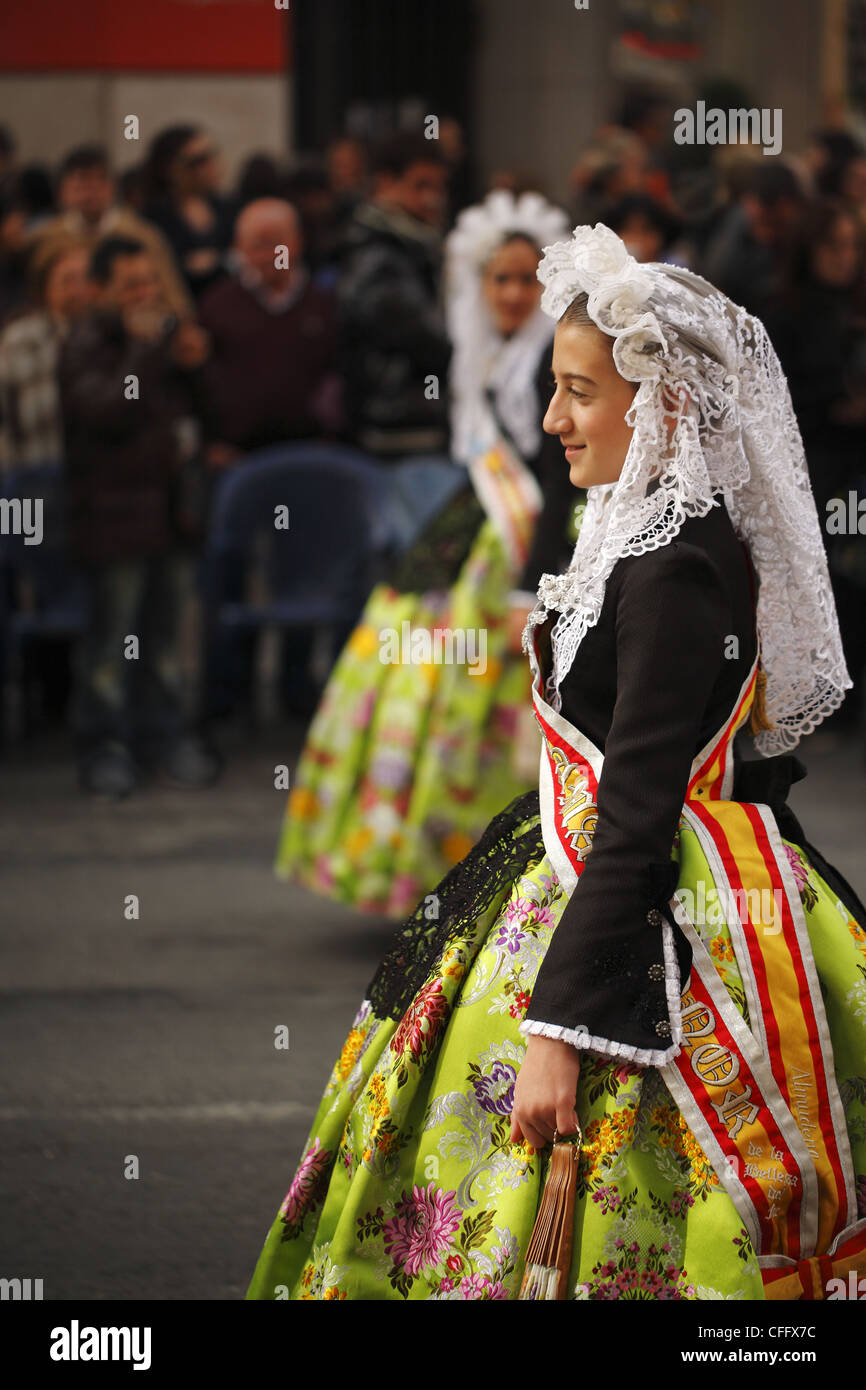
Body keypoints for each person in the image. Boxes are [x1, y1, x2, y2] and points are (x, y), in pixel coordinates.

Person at [246, 225, 865, 1301]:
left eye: (578, 392)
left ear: (659, 404)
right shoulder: (641, 534)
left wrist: (555, 1032)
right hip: (622, 880)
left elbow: (634, 812)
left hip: (640, 921)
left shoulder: (673, 569)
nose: (550, 420)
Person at [274, 191, 578, 920]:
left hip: (528, 552)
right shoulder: (489, 351)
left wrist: (529, 590)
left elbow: (556, 479)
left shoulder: (551, 360)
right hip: (471, 533)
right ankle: (442, 878)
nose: (511, 294)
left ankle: (509, 884)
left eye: (526, 280)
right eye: (497, 280)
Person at [59, 235, 219, 797]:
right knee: (112, 645)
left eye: (149, 281)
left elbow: (213, 413)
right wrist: (147, 351)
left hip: (172, 516)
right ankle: (105, 747)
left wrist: (196, 367)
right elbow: (110, 410)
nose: (145, 295)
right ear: (100, 290)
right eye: (130, 286)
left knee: (169, 642)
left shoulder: (166, 343)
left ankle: (168, 739)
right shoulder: (85, 343)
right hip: (112, 521)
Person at [337, 132, 452, 459]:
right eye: (420, 186)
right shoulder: (375, 255)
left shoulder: (420, 246)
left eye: (438, 187)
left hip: (421, 428)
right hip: (395, 434)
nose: (433, 199)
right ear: (386, 183)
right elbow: (432, 341)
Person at [36, 144, 192, 319]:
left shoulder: (141, 234)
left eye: (99, 182)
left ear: (112, 186)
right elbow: (37, 297)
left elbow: (173, 295)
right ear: (63, 191)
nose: (91, 193)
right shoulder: (48, 238)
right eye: (82, 184)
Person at [142, 126, 235, 301]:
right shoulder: (154, 216)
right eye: (197, 161)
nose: (210, 166)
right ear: (169, 168)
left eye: (212, 155)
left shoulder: (227, 208)